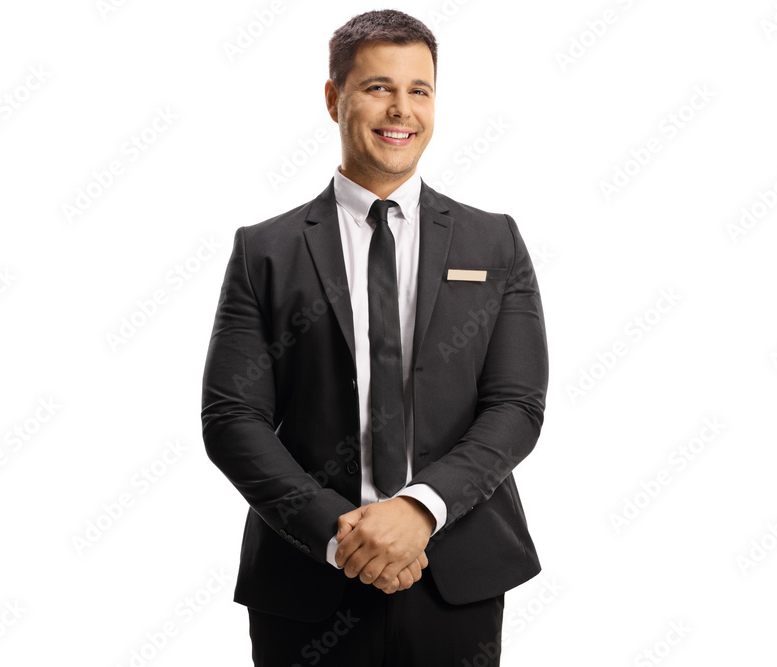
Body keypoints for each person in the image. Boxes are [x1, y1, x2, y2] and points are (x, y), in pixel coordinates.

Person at [201, 9, 548, 666]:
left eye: (420, 89)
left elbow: (516, 405)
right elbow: (231, 416)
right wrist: (339, 533)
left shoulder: (493, 240)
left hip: (455, 575)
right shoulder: (266, 250)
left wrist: (418, 509)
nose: (402, 109)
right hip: (307, 578)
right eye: (378, 87)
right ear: (335, 98)